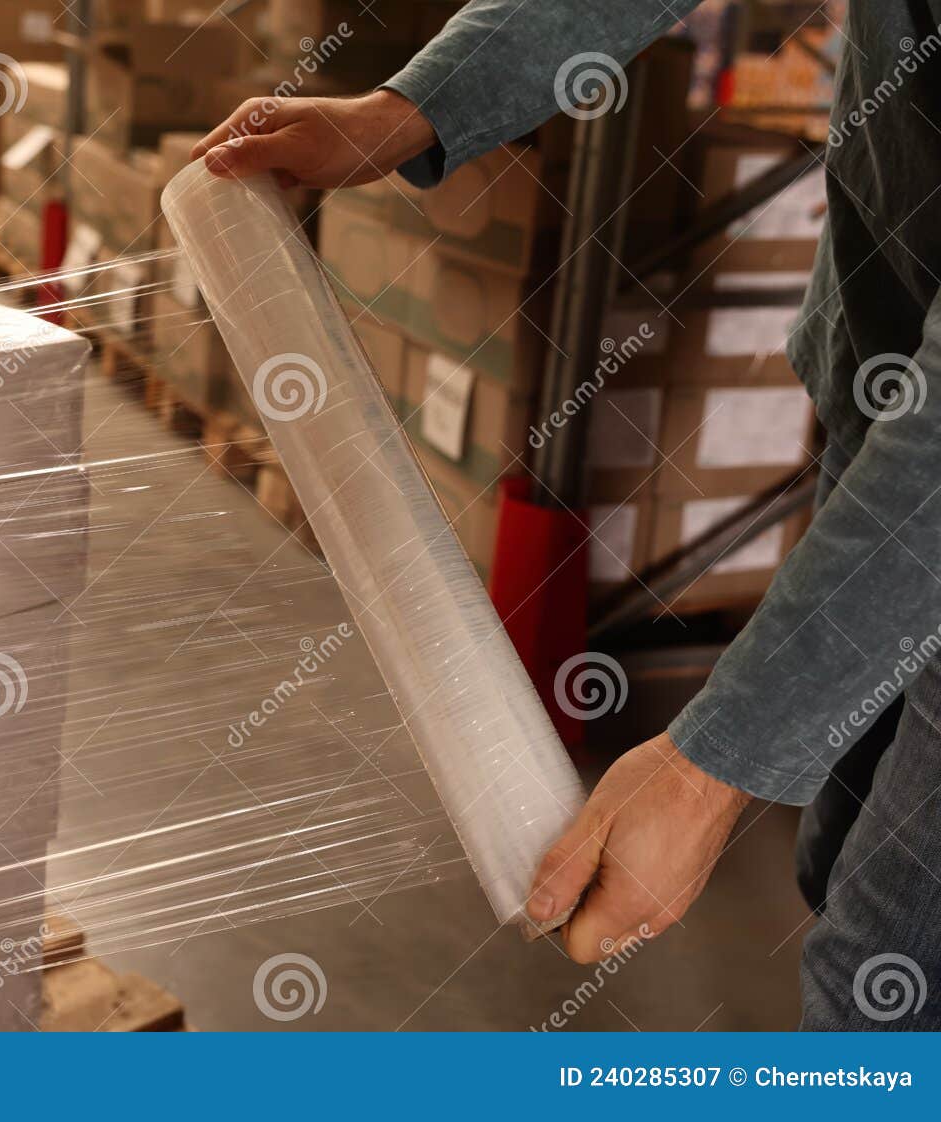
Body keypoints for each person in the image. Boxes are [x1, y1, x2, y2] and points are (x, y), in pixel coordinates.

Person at [192, 0, 941, 1030]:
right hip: (892, 376)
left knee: (888, 974)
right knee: (843, 853)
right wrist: (408, 110)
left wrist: (709, 764)